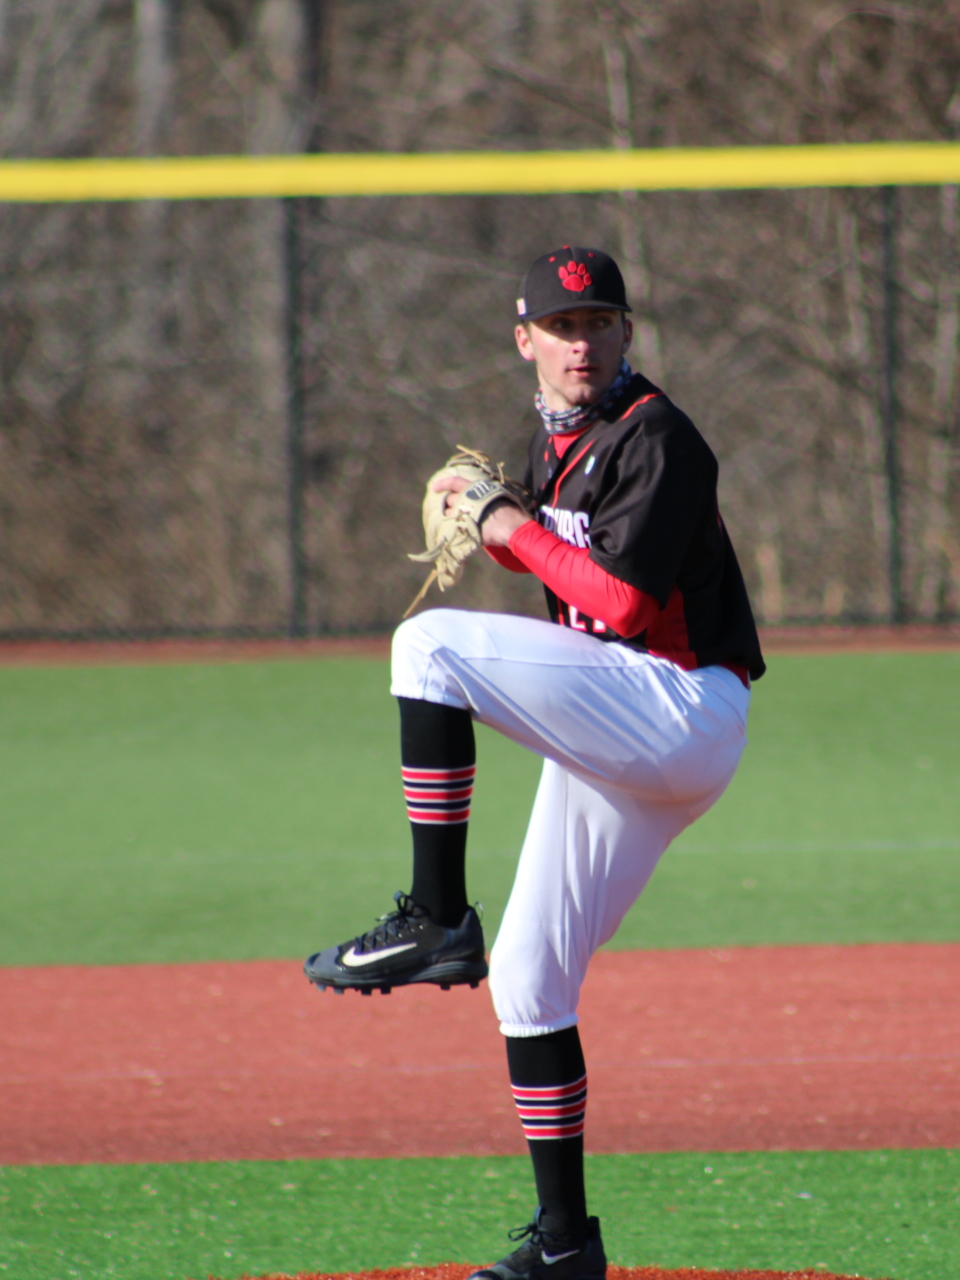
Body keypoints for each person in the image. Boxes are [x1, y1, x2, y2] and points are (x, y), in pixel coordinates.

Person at [305, 246, 765, 1280]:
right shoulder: (552, 441)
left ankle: (435, 915)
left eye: (599, 322)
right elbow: (568, 578)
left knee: (428, 647)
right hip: (627, 726)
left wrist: (504, 521)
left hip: (679, 702)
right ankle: (565, 1244)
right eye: (561, 326)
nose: (581, 343)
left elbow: (625, 605)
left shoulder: (657, 436)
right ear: (526, 340)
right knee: (528, 979)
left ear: (627, 331)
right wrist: (495, 519)